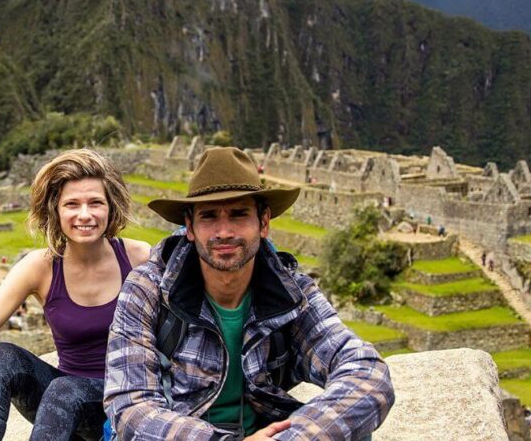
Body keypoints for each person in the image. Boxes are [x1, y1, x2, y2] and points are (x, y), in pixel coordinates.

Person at [104, 147, 394, 440]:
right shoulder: (148, 289)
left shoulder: (291, 292)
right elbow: (130, 406)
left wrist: (297, 436)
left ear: (263, 223)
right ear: (189, 227)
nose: (224, 231)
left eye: (239, 214)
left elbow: (366, 372)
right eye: (209, 217)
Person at [0, 149, 151, 441]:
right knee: (0, 356)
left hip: (127, 401)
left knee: (65, 391)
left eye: (95, 202)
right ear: (55, 210)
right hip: (66, 407)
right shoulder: (41, 267)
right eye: (72, 204)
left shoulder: (140, 258)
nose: (85, 214)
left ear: (110, 207)